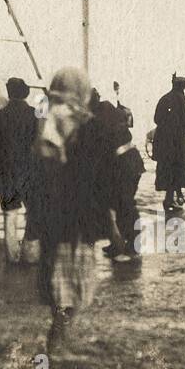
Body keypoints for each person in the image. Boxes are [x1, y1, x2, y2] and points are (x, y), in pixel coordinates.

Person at [29, 67, 120, 354]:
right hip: (73, 216)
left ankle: (59, 338)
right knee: (70, 283)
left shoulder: (47, 119)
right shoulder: (75, 122)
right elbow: (87, 175)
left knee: (61, 283)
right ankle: (57, 342)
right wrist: (108, 220)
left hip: (54, 217)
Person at [0, 77, 38, 264]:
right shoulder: (35, 116)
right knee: (33, 213)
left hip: (7, 174)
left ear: (9, 93)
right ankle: (30, 254)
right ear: (25, 93)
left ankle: (12, 257)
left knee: (10, 215)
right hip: (30, 173)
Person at [91, 92, 145, 258]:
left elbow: (99, 148)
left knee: (123, 204)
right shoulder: (109, 109)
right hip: (131, 161)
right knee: (119, 203)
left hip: (123, 164)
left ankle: (131, 244)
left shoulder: (97, 117)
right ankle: (120, 242)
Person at [152, 75, 185, 214]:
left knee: (167, 168)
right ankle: (170, 200)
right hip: (178, 143)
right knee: (177, 169)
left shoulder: (164, 99)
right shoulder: (183, 100)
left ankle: (172, 198)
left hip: (163, 141)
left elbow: (156, 118)